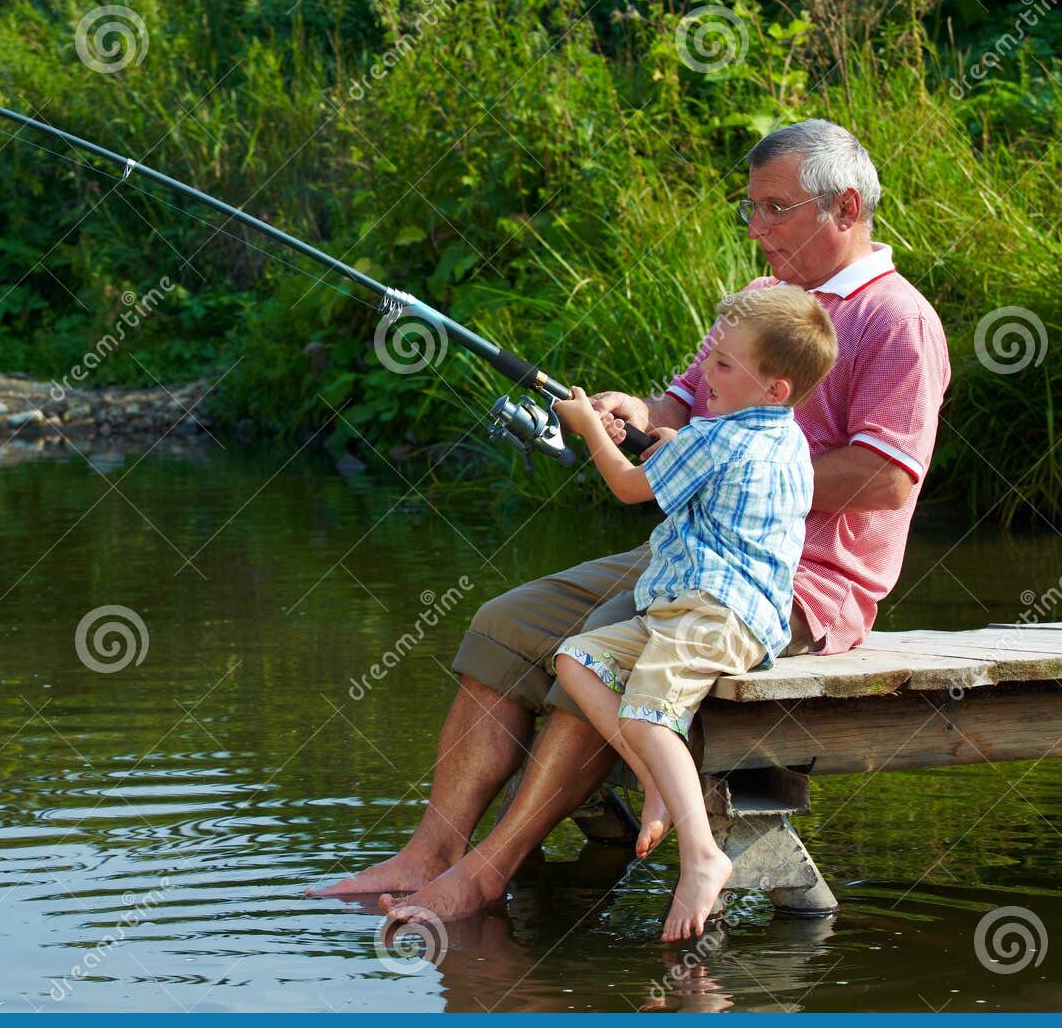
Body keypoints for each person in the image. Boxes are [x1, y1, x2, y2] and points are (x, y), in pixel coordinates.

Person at [309, 118, 952, 922]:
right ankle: (430, 851)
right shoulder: (762, 302)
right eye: (750, 208)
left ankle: (486, 872)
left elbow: (888, 479)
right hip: (688, 555)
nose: (756, 228)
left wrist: (730, 473)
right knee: (503, 624)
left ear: (845, 208)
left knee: (604, 646)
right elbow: (682, 403)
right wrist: (632, 413)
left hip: (795, 586)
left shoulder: (897, 321)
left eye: (775, 209)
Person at [549, 283, 837, 940]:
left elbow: (629, 487)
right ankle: (656, 779)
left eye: (725, 364)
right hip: (727, 618)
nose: (707, 370)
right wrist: (676, 444)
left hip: (712, 612)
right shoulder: (787, 439)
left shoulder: (712, 440)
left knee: (646, 713)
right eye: (712, 356)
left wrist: (590, 428)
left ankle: (702, 855)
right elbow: (721, 474)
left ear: (775, 387)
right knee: (577, 659)